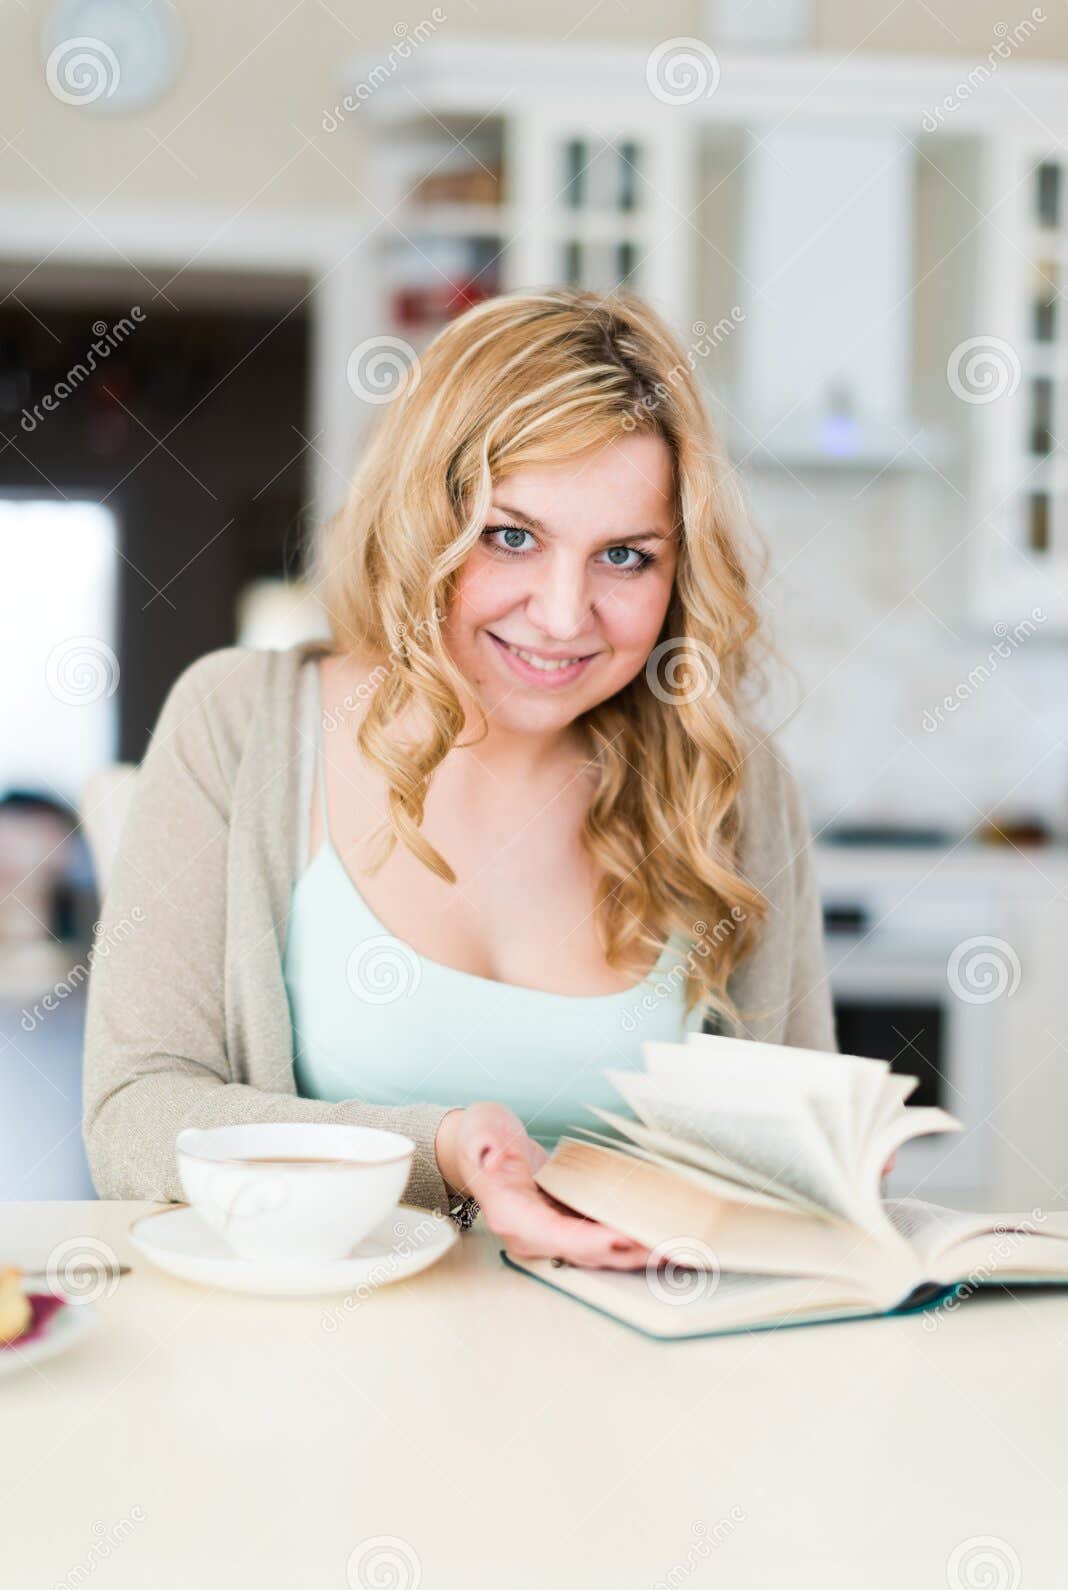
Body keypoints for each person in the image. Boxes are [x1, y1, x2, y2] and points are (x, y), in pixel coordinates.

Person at [82, 286, 839, 1269]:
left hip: (649, 1376)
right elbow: (136, 1117)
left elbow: (796, 1143)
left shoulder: (727, 781)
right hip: (320, 1374)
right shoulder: (240, 723)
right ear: (417, 522)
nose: (565, 616)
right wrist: (441, 1152)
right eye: (511, 536)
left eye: (624, 556)